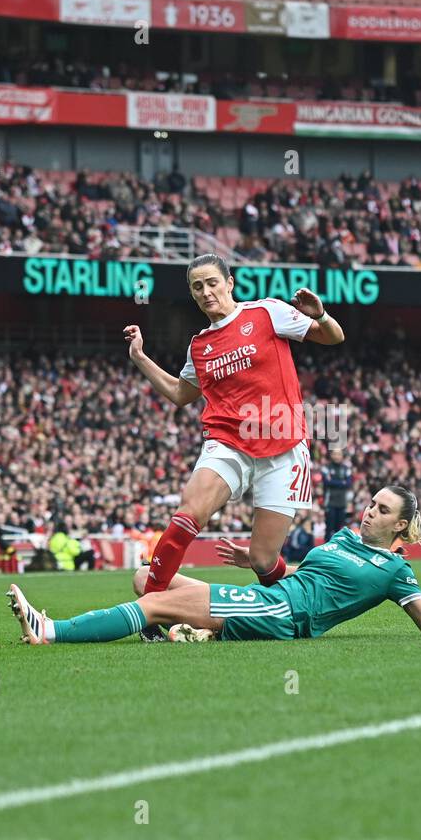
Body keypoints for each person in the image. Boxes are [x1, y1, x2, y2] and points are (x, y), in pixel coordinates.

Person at [121, 253, 345, 640]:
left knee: (262, 559)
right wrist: (140, 358)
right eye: (197, 287)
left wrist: (321, 315)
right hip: (228, 442)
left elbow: (333, 337)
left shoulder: (267, 312)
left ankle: (289, 611)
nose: (205, 291)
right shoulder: (200, 345)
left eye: (212, 282)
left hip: (284, 444)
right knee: (189, 512)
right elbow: (180, 393)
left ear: (229, 283)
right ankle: (151, 613)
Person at [7, 486, 421, 644]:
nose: (368, 511)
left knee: (155, 601)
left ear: (402, 527)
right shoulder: (343, 536)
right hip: (275, 595)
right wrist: (254, 564)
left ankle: (50, 631)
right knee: (145, 575)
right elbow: (298, 576)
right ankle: (180, 633)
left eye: (382, 510)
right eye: (370, 503)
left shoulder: (396, 572)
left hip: (286, 616)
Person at [322, 449, 353, 535]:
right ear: (331, 455)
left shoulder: (346, 469)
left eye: (339, 454)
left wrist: (333, 481)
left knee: (339, 529)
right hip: (330, 502)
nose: (337, 456)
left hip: (342, 503)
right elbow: (327, 482)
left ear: (342, 456)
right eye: (335, 454)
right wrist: (342, 482)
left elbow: (348, 483)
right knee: (329, 528)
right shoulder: (326, 468)